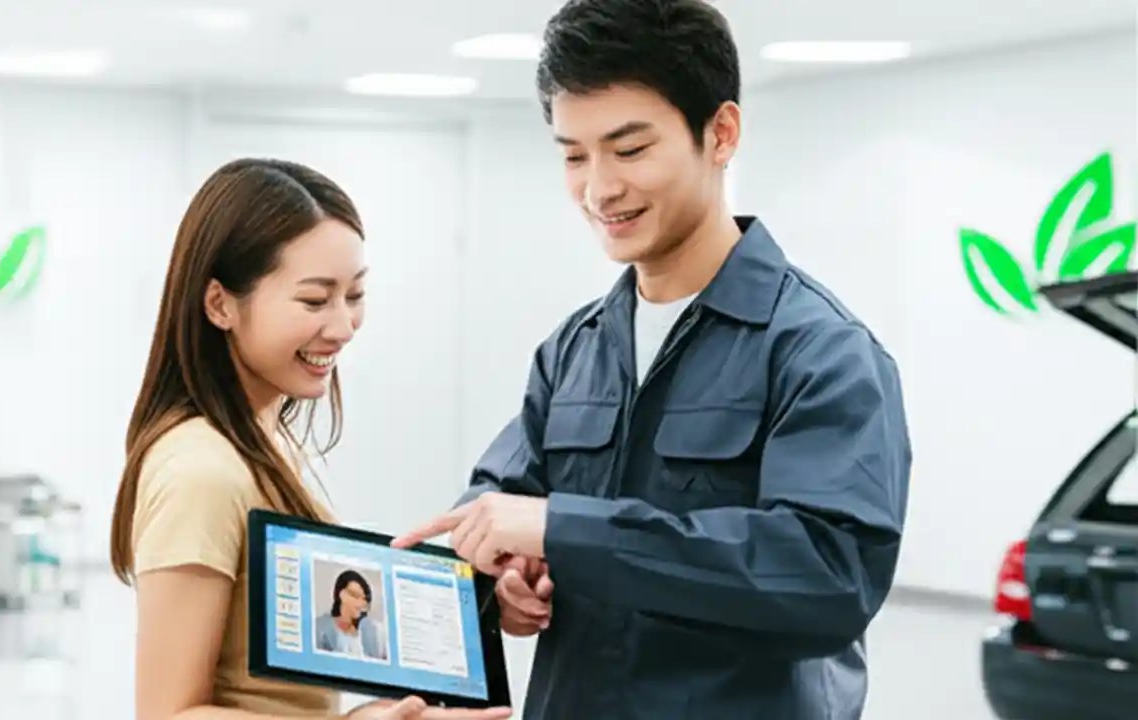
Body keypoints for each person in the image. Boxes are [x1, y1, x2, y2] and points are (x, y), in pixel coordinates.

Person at [392, 1, 913, 719]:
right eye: (574, 155)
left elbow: (827, 579)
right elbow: (494, 501)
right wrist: (501, 574)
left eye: (630, 149)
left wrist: (560, 532)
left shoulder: (819, 350)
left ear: (721, 133)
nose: (599, 188)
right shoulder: (574, 350)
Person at [109, 158, 511, 720]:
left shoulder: (262, 441)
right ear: (220, 304)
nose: (343, 327)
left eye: (355, 295)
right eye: (315, 300)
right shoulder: (200, 470)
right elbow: (167, 715)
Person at [315, 570, 388, 660]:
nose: (359, 604)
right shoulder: (320, 628)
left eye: (363, 599)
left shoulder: (374, 634)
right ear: (341, 594)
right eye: (355, 596)